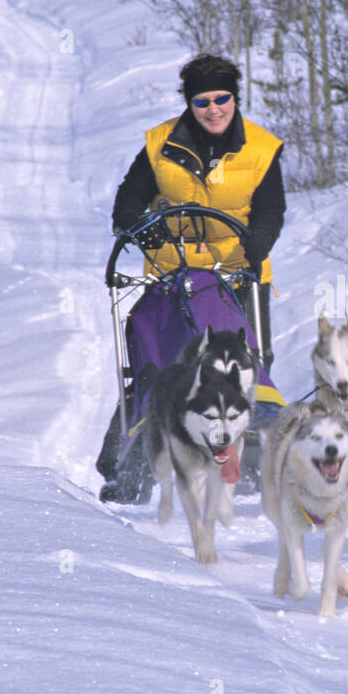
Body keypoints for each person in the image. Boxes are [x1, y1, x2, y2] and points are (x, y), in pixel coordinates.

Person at [96, 52, 285, 500]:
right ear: (189, 104)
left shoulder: (261, 148)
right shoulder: (160, 145)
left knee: (245, 360)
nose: (214, 109)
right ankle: (134, 452)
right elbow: (128, 202)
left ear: (235, 98)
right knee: (159, 364)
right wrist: (142, 228)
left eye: (222, 98)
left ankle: (253, 455)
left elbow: (271, 209)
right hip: (171, 274)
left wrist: (257, 240)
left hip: (237, 275)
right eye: (203, 101)